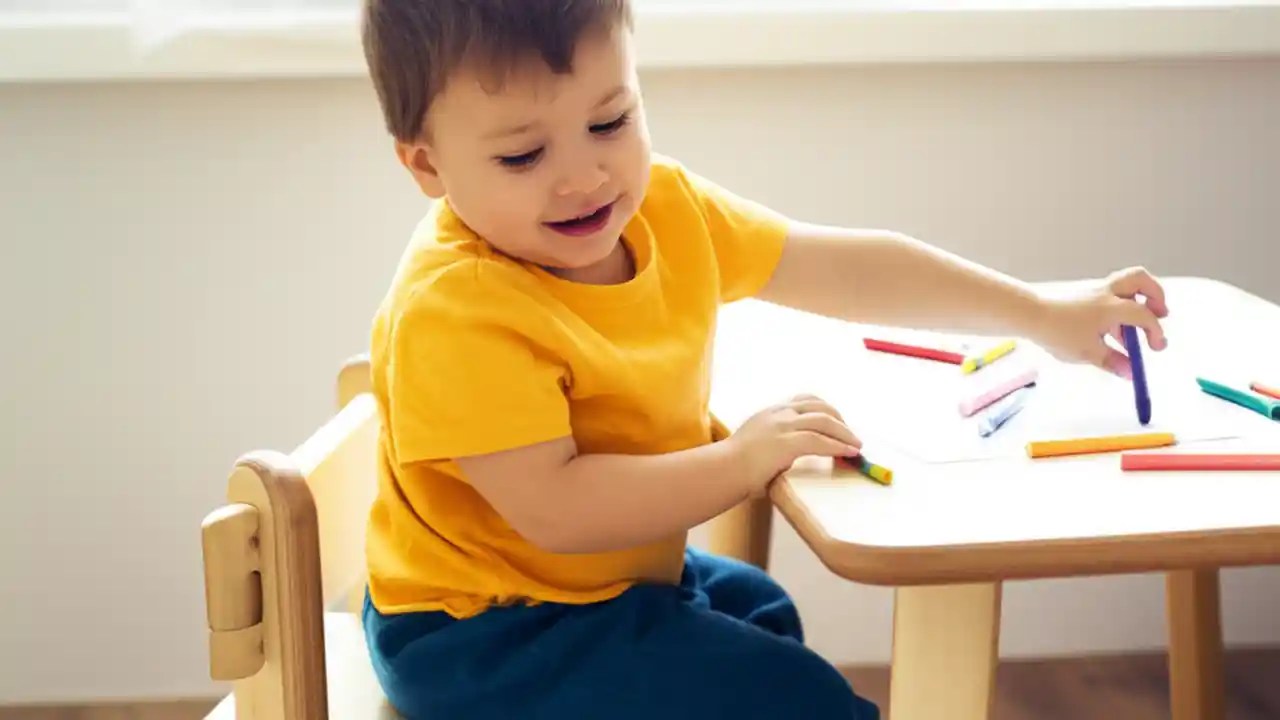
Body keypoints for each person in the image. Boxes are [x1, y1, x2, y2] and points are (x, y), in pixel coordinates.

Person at [356, 1, 1169, 718]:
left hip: (601, 590)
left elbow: (847, 266)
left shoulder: (666, 210)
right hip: (482, 630)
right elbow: (558, 509)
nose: (584, 177)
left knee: (764, 613)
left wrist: (1041, 313)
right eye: (523, 156)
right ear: (426, 162)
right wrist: (740, 460)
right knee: (801, 698)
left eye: (610, 122)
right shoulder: (456, 309)